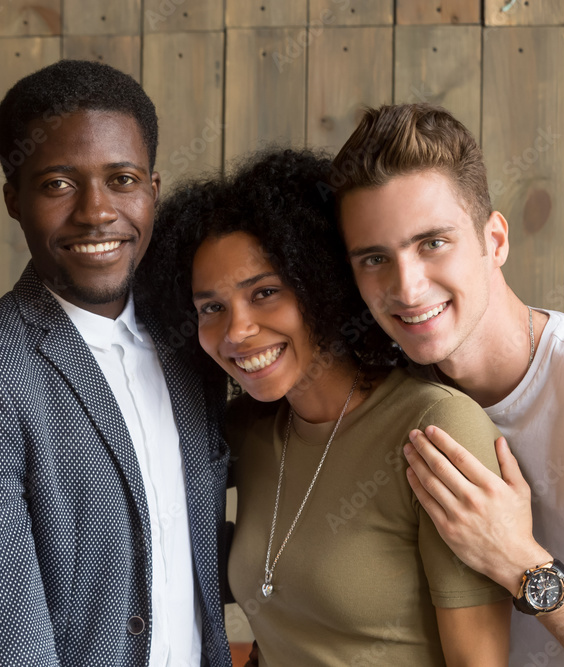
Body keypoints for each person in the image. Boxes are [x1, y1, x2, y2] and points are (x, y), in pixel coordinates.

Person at [140, 148, 511, 665]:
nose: (237, 331)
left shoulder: (434, 427)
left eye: (265, 292)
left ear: (322, 286)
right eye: (211, 308)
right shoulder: (250, 429)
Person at [0, 60, 231, 667]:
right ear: (14, 199)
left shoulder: (195, 343)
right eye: (57, 184)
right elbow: (3, 640)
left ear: (153, 187)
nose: (96, 212)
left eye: (121, 179)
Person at [333, 103, 564, 666]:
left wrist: (518, 559)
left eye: (433, 243)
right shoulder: (388, 394)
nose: (406, 288)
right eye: (375, 258)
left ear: (494, 240)